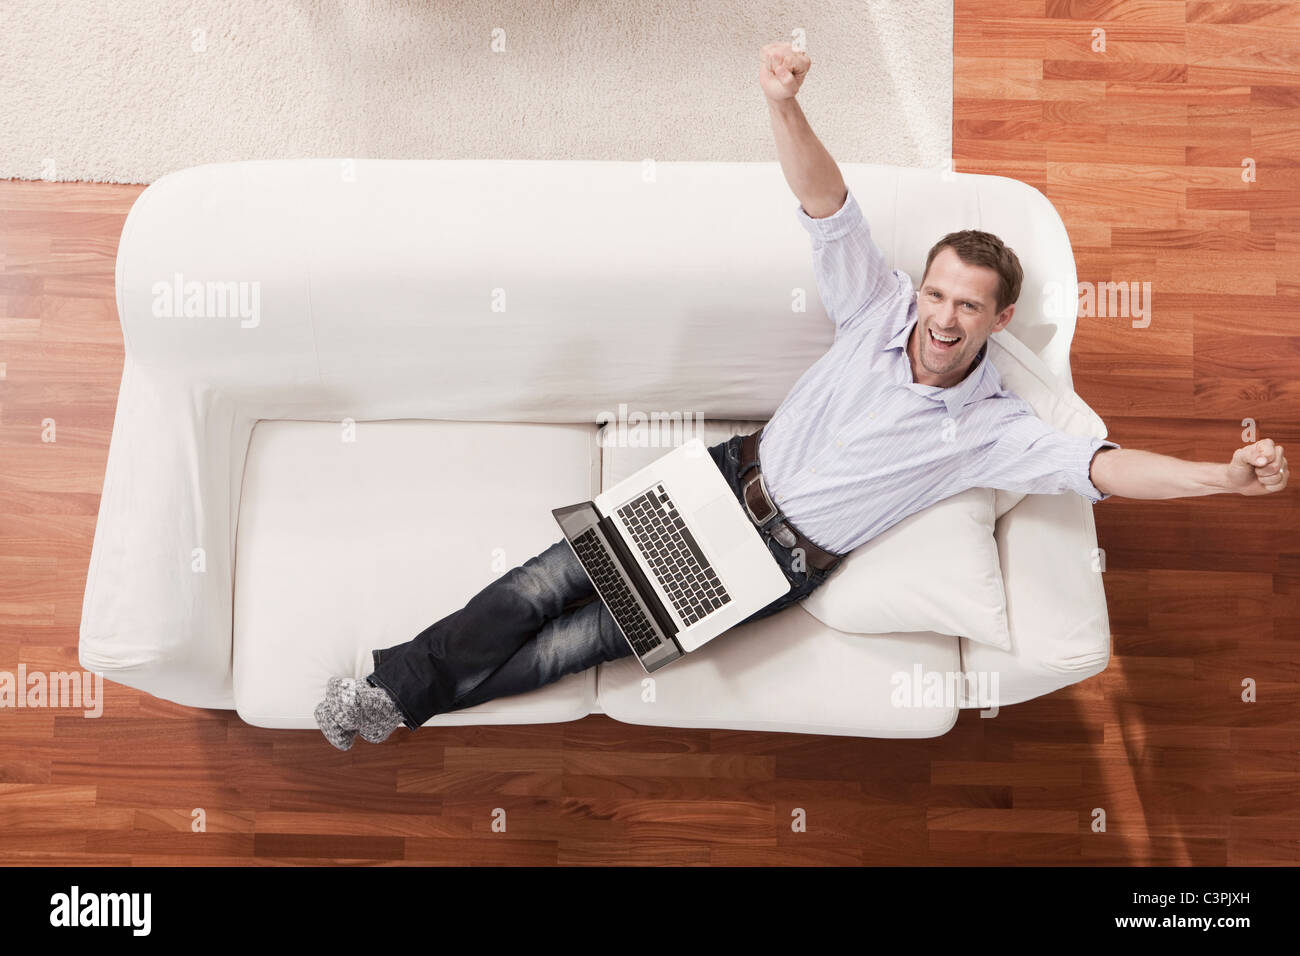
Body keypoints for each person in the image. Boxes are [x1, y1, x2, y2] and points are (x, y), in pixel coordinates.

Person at [314, 41, 1290, 750]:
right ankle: (392, 685)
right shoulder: (875, 311)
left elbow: (1101, 465)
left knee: (572, 643)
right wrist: (781, 102)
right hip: (716, 481)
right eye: (937, 293)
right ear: (922, 291)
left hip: (774, 560)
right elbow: (827, 206)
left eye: (968, 307)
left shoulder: (993, 430)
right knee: (537, 584)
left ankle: (396, 702)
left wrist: (1221, 476)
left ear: (996, 321)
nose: (943, 318)